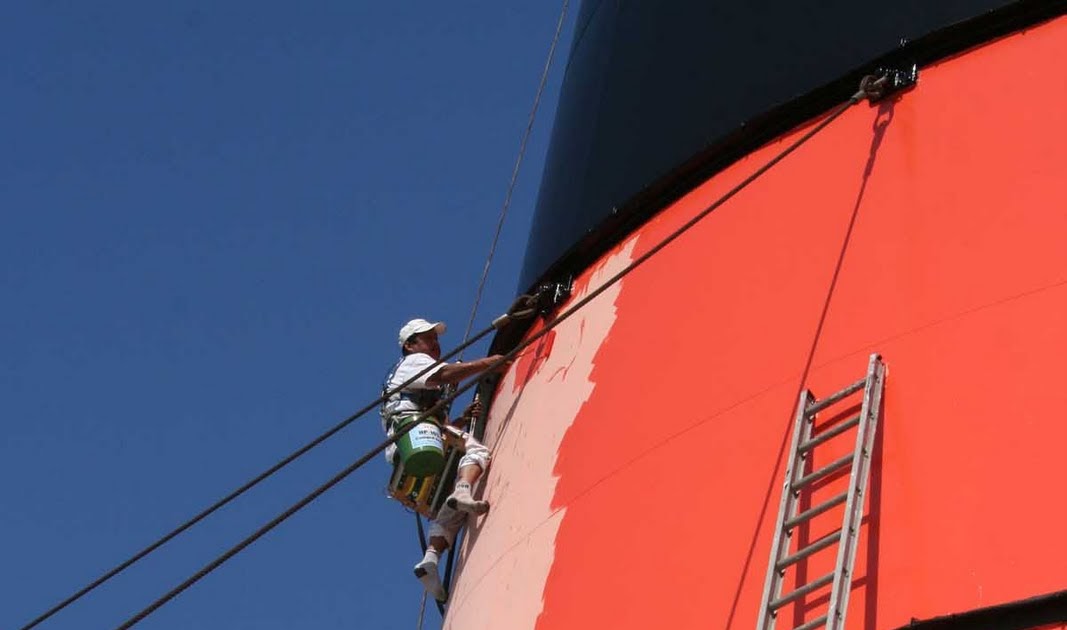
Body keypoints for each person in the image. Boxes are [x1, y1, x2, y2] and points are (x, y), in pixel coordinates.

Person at [381, 318, 507, 601]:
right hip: (416, 432)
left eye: (435, 338)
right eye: (428, 338)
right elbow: (444, 374)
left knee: (450, 512)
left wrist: (460, 419)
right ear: (410, 345)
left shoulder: (405, 377)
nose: (435, 343)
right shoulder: (414, 362)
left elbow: (439, 420)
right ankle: (463, 489)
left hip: (408, 448)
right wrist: (490, 363)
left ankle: (431, 559)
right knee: (477, 452)